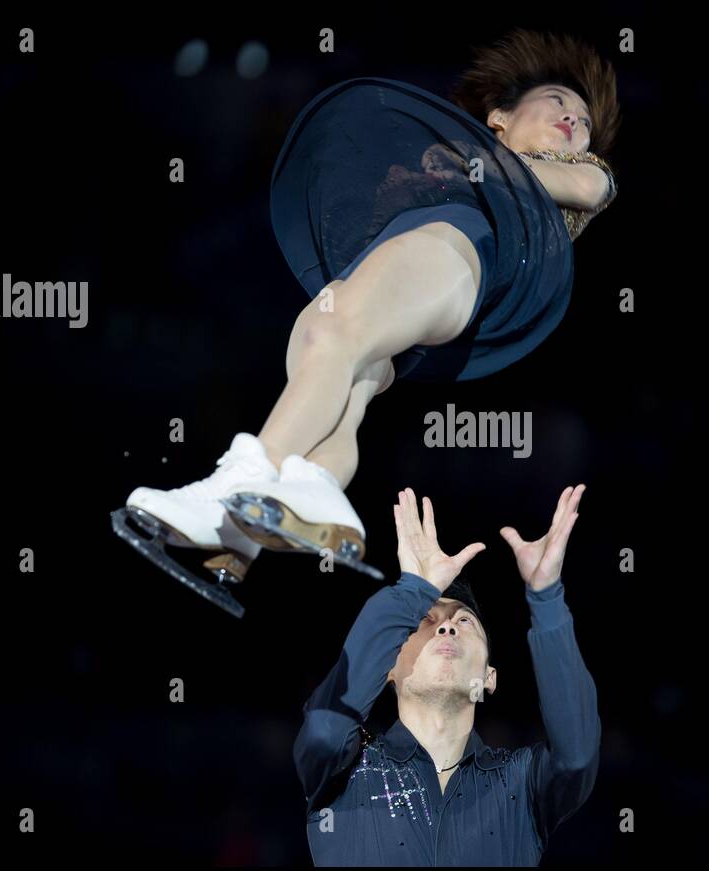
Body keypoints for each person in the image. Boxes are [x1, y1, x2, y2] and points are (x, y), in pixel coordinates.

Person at [114, 29, 620, 612]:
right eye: (558, 100)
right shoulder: (456, 161)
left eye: (582, 119)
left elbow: (565, 181)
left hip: (452, 258)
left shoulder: (584, 175)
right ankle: (270, 519)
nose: (574, 120)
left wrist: (463, 160)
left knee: (335, 333)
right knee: (331, 369)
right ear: (500, 116)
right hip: (402, 274)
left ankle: (228, 483)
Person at [293, 484, 598, 865]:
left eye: (464, 620)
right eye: (427, 620)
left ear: (489, 677)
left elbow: (577, 758)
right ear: (387, 668)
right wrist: (411, 593)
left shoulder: (521, 783)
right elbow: (324, 730)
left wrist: (546, 595)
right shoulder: (346, 770)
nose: (446, 628)